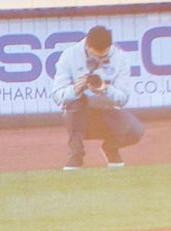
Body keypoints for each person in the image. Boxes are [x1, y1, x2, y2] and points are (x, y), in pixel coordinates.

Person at [54, 25, 144, 170]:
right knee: (74, 103)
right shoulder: (69, 55)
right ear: (87, 46)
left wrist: (106, 89)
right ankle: (76, 155)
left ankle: (110, 148)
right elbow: (58, 96)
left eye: (104, 56)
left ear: (110, 47)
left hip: (107, 111)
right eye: (96, 56)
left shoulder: (120, 58)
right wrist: (75, 89)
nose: (100, 59)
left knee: (136, 131)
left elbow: (123, 98)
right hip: (79, 116)